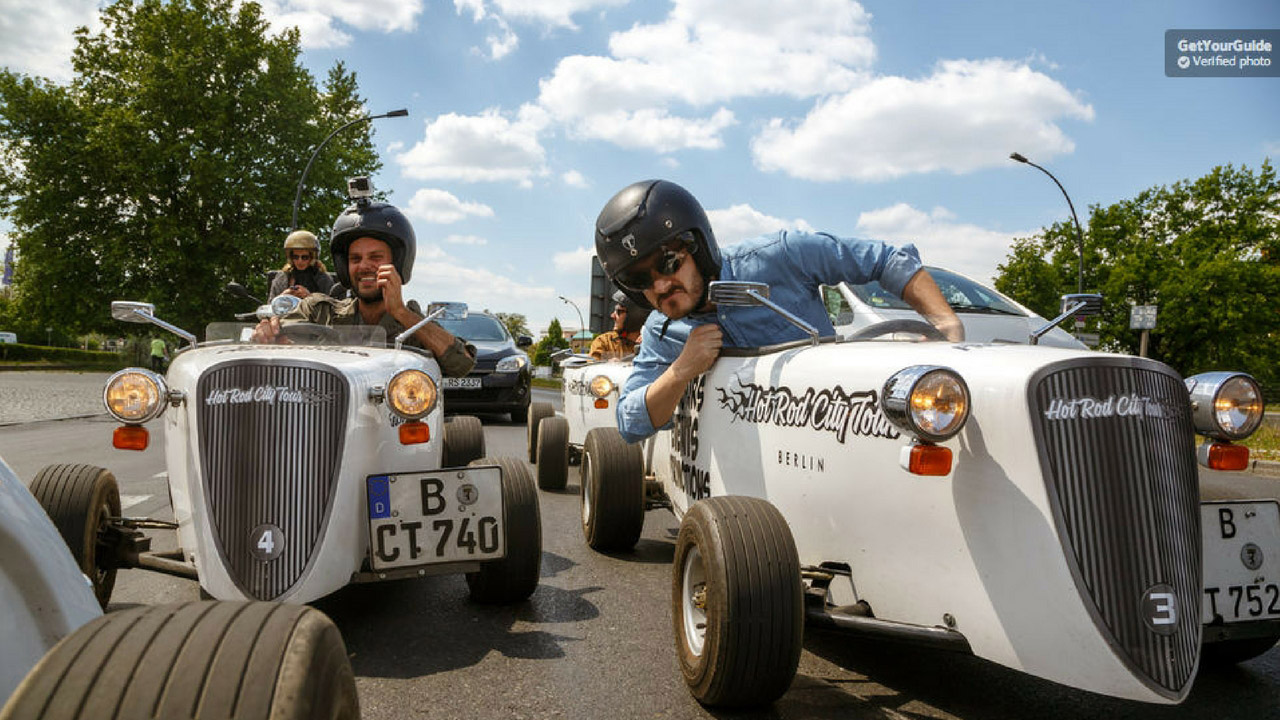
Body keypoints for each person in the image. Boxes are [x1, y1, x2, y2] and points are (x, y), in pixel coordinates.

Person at [595, 179, 965, 443]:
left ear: (699, 246)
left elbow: (885, 260)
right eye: (641, 279)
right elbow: (630, 424)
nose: (660, 286)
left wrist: (945, 322)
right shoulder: (662, 331)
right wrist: (680, 371)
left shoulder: (782, 256)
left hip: (830, 435)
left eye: (670, 262)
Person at [253, 191, 476, 378]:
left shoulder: (414, 326)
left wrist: (400, 312)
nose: (364, 266)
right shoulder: (319, 311)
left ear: (397, 264)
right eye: (355, 259)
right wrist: (266, 335)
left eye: (376, 257)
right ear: (344, 268)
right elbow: (277, 337)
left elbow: (461, 365)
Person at [268, 230, 336, 300]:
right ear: (291, 258)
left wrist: (309, 296)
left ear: (312, 257)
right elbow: (270, 306)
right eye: (295, 257)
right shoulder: (282, 278)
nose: (299, 261)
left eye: (304, 257)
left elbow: (331, 307)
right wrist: (283, 297)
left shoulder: (324, 279)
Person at [588, 291, 650, 360]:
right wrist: (608, 366)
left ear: (634, 315)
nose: (612, 316)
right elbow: (592, 366)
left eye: (619, 312)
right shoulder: (604, 342)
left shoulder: (651, 344)